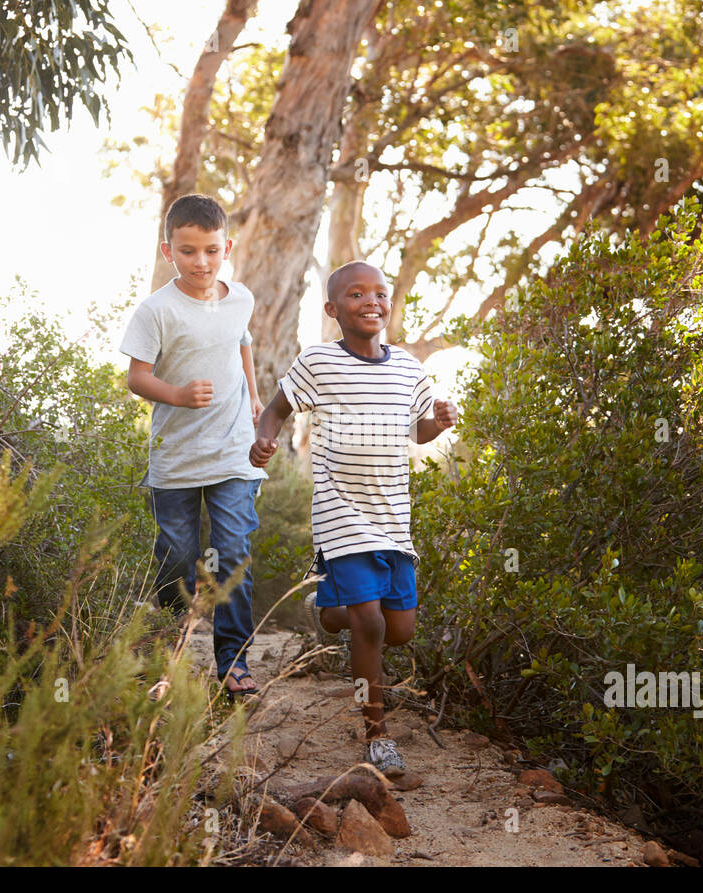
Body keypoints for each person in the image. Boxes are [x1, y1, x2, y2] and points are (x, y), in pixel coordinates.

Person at [249, 260, 458, 775]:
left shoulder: (410, 368)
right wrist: (266, 437)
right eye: (356, 294)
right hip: (339, 512)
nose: (371, 302)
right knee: (369, 625)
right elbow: (276, 407)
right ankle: (377, 734)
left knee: (399, 629)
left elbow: (420, 432)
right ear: (332, 309)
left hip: (392, 517)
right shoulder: (318, 362)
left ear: (389, 303)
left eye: (380, 294)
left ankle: (330, 603)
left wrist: (441, 420)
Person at [119, 194, 267, 701]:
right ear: (168, 252)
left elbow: (242, 341)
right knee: (176, 559)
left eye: (210, 250)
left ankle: (233, 662)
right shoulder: (156, 309)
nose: (200, 262)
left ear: (226, 246)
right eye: (188, 252)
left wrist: (253, 395)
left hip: (232, 455)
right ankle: (171, 655)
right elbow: (136, 377)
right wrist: (178, 395)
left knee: (233, 557)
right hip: (176, 460)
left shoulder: (240, 298)